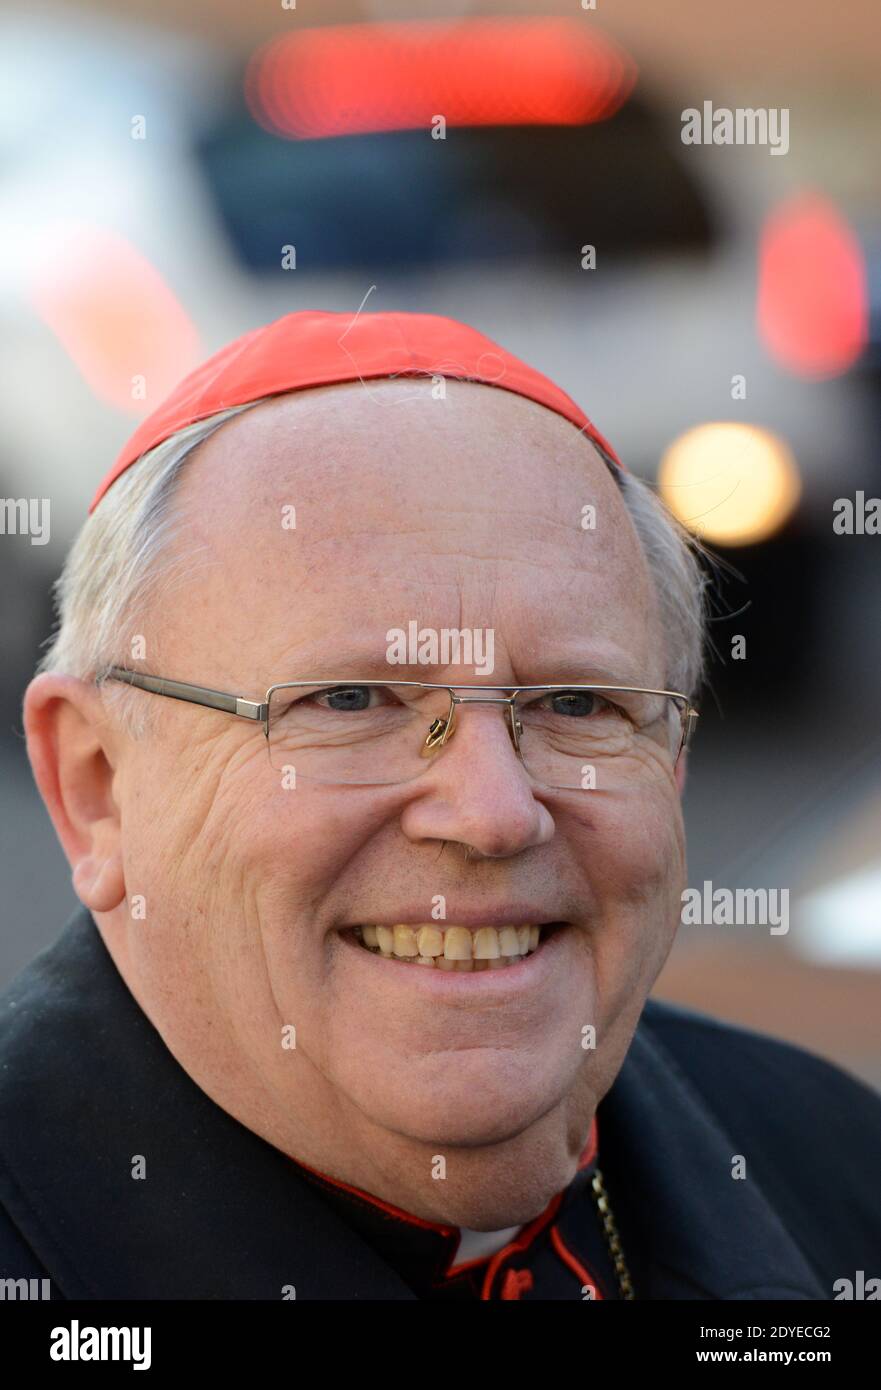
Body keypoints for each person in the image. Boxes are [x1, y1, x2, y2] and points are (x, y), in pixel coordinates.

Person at [1, 309, 878, 1300]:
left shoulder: (836, 1168)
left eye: (575, 704)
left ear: (669, 759)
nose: (493, 813)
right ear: (97, 786)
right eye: (348, 700)